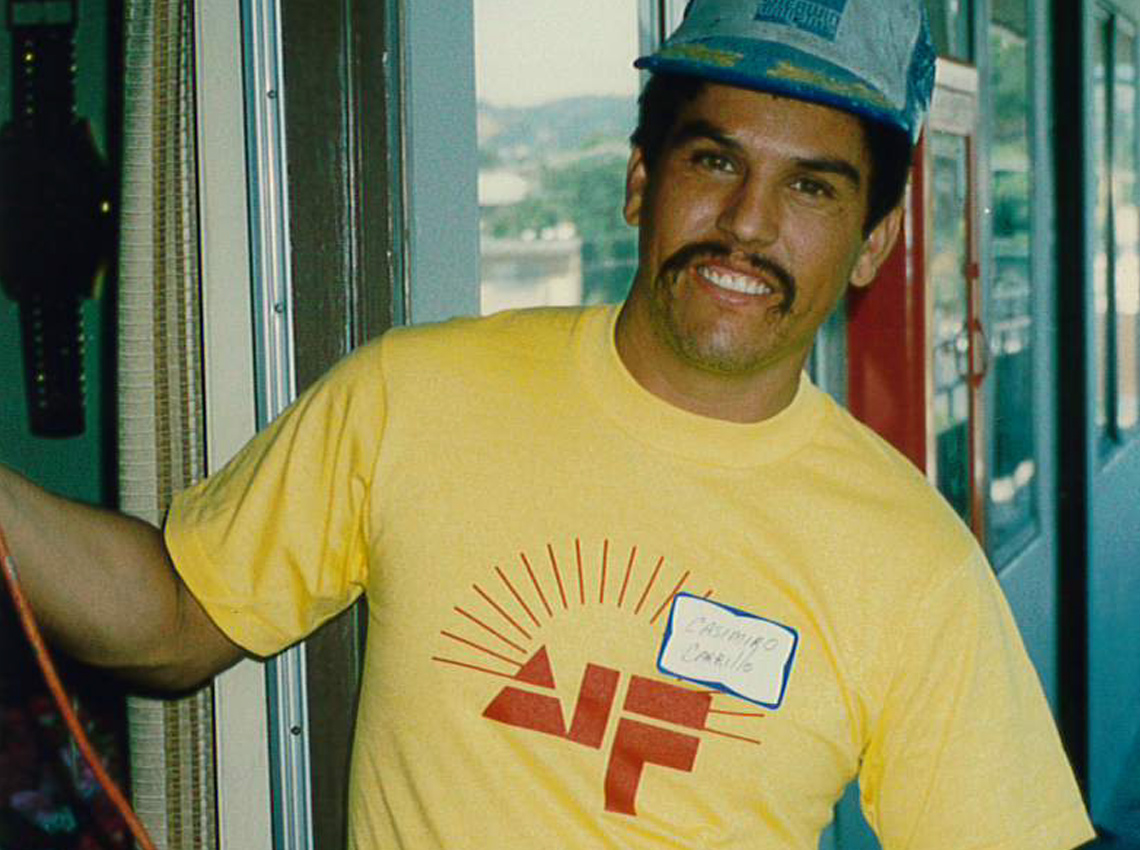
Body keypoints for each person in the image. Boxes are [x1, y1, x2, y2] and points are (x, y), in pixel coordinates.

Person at [0, 1, 1097, 848]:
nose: (747, 223)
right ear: (640, 181)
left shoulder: (915, 565)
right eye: (714, 159)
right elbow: (174, 616)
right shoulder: (411, 397)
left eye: (812, 188)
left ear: (873, 243)